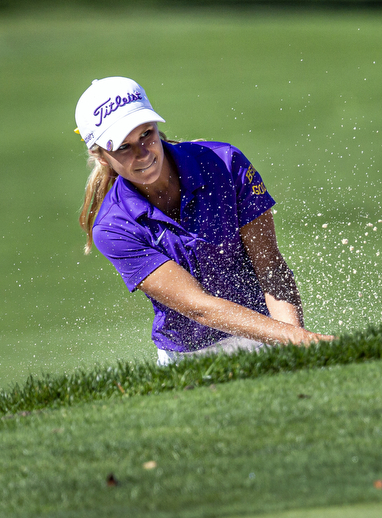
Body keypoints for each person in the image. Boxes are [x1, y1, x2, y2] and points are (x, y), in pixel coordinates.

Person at [75, 76, 335, 365]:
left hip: (268, 332)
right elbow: (199, 307)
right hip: (189, 359)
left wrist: (294, 344)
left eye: (146, 134)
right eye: (124, 147)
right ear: (101, 156)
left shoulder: (224, 162)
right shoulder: (113, 227)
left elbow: (270, 267)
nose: (143, 153)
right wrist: (301, 341)